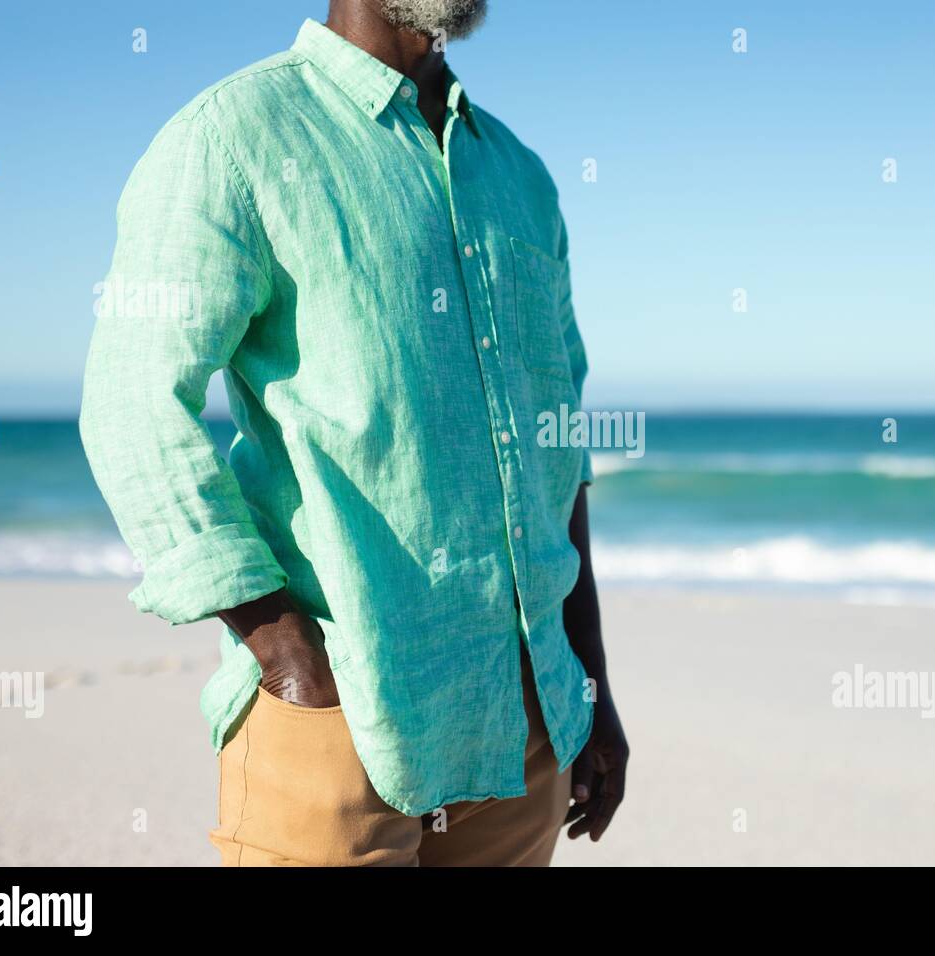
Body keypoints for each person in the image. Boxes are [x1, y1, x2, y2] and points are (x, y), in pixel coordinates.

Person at [79, 0, 628, 866]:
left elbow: (559, 447)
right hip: (343, 714)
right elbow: (132, 407)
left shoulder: (520, 175)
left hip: (528, 725)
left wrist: (590, 684)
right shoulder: (233, 136)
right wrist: (281, 649)